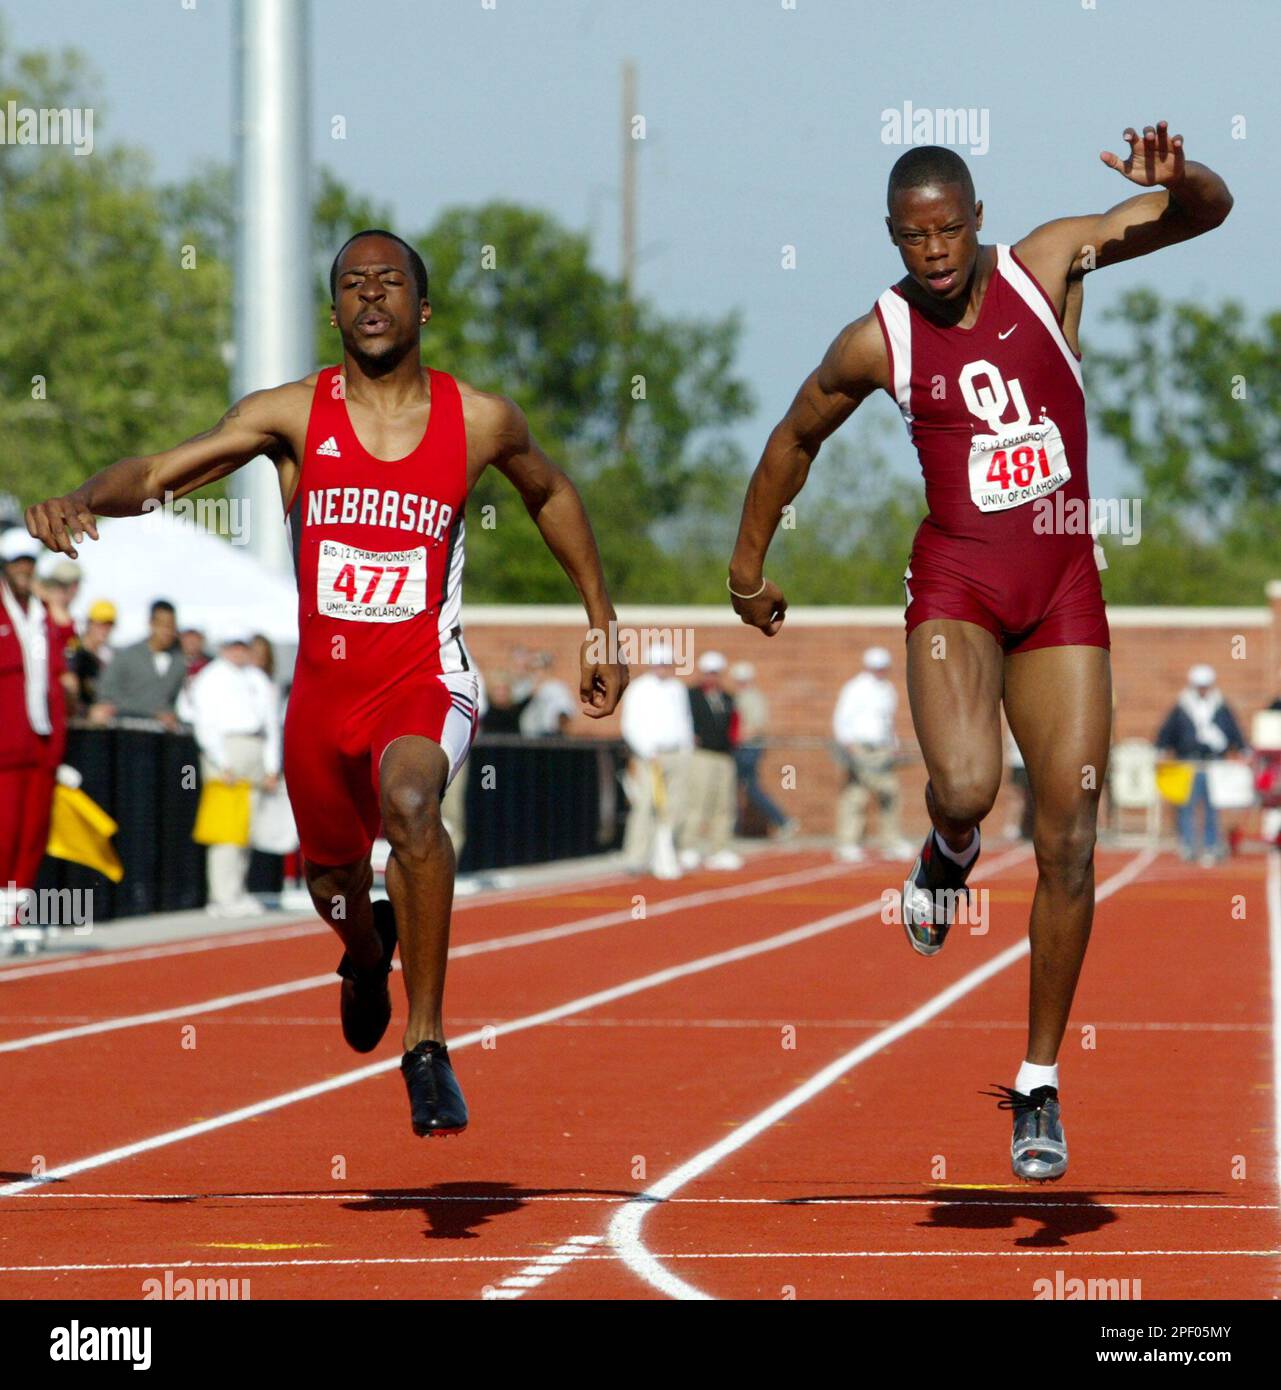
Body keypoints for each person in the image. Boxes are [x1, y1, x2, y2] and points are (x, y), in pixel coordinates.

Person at [26, 228, 626, 1137]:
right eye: (351, 284)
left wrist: (600, 622)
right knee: (333, 881)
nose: (370, 296)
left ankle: (426, 1045)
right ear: (334, 309)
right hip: (321, 696)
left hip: (423, 678)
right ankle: (360, 948)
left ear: (422, 310)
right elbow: (158, 475)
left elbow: (549, 494)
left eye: (389, 283)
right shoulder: (294, 415)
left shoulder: (481, 421)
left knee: (413, 806)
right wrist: (81, 497)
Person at [726, 127, 1231, 1180]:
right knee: (962, 784)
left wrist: (1180, 181)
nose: (936, 250)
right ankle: (948, 848)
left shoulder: (1048, 265)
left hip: (1060, 588)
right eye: (915, 237)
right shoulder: (881, 339)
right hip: (958, 583)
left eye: (950, 228)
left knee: (1070, 834)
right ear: (892, 238)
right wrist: (747, 566)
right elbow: (795, 434)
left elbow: (1203, 217)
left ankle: (1039, 1083)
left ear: (979, 218)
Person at [178, 635, 282, 917]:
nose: (239, 651)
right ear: (223, 647)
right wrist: (220, 760)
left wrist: (273, 765)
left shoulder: (257, 678)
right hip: (228, 749)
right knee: (226, 829)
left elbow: (271, 723)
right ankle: (222, 896)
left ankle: (238, 890)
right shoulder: (211, 677)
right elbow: (205, 721)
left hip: (254, 748)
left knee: (248, 827)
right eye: (233, 645)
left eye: (242, 646)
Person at [0, 528, 68, 931]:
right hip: (5, 745)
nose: (25, 571)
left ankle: (17, 915)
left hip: (42, 742)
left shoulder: (43, 615)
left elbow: (60, 674)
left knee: (33, 832)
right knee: (4, 828)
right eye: (18, 564)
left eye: (30, 564)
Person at [1155, 663, 1246, 865]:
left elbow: (1233, 731)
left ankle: (1212, 845)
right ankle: (1188, 845)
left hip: (1214, 765)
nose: (1203, 689)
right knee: (1186, 807)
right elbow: (1168, 732)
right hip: (1188, 764)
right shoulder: (1182, 706)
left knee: (1212, 808)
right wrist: (1161, 751)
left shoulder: (1220, 706)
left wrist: (1242, 750)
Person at [832, 646, 913, 862]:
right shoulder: (855, 688)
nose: (879, 671)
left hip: (882, 749)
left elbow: (888, 721)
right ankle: (848, 842)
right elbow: (842, 717)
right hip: (859, 746)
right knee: (856, 796)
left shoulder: (887, 690)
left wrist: (894, 745)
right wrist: (847, 744)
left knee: (890, 793)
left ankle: (891, 841)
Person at [619, 641, 693, 877]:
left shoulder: (677, 688)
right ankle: (636, 856)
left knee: (675, 807)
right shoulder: (639, 689)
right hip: (650, 756)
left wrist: (686, 747)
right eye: (658, 664)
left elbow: (684, 720)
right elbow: (629, 725)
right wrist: (646, 750)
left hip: (676, 754)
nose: (663, 668)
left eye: (666, 664)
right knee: (645, 805)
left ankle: (666, 853)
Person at [683, 651, 743, 871]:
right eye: (709, 673)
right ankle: (689, 846)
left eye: (716, 673)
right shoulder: (691, 695)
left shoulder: (727, 698)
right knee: (698, 803)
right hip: (702, 755)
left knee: (724, 805)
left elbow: (735, 725)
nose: (712, 677)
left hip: (724, 756)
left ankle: (720, 848)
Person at [92, 598, 187, 729]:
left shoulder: (179, 662)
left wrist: (170, 715)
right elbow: (107, 698)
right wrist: (151, 712)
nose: (166, 631)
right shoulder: (127, 656)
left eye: (171, 626)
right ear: (151, 623)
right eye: (162, 625)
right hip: (127, 730)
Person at [730, 660, 796, 839]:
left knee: (750, 788)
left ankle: (783, 820)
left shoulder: (753, 697)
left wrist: (736, 738)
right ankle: (734, 828)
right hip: (741, 748)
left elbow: (757, 726)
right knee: (734, 788)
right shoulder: (739, 696)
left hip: (749, 749)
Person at [72, 599, 117, 711]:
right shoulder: (74, 650)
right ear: (89, 623)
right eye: (100, 624)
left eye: (109, 625)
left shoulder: (110, 657)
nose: (105, 630)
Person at [518, 651, 575, 737]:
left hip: (548, 735)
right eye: (533, 668)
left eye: (540, 668)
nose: (537, 672)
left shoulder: (557, 688)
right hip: (525, 736)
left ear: (547, 669)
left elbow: (565, 712)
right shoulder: (524, 686)